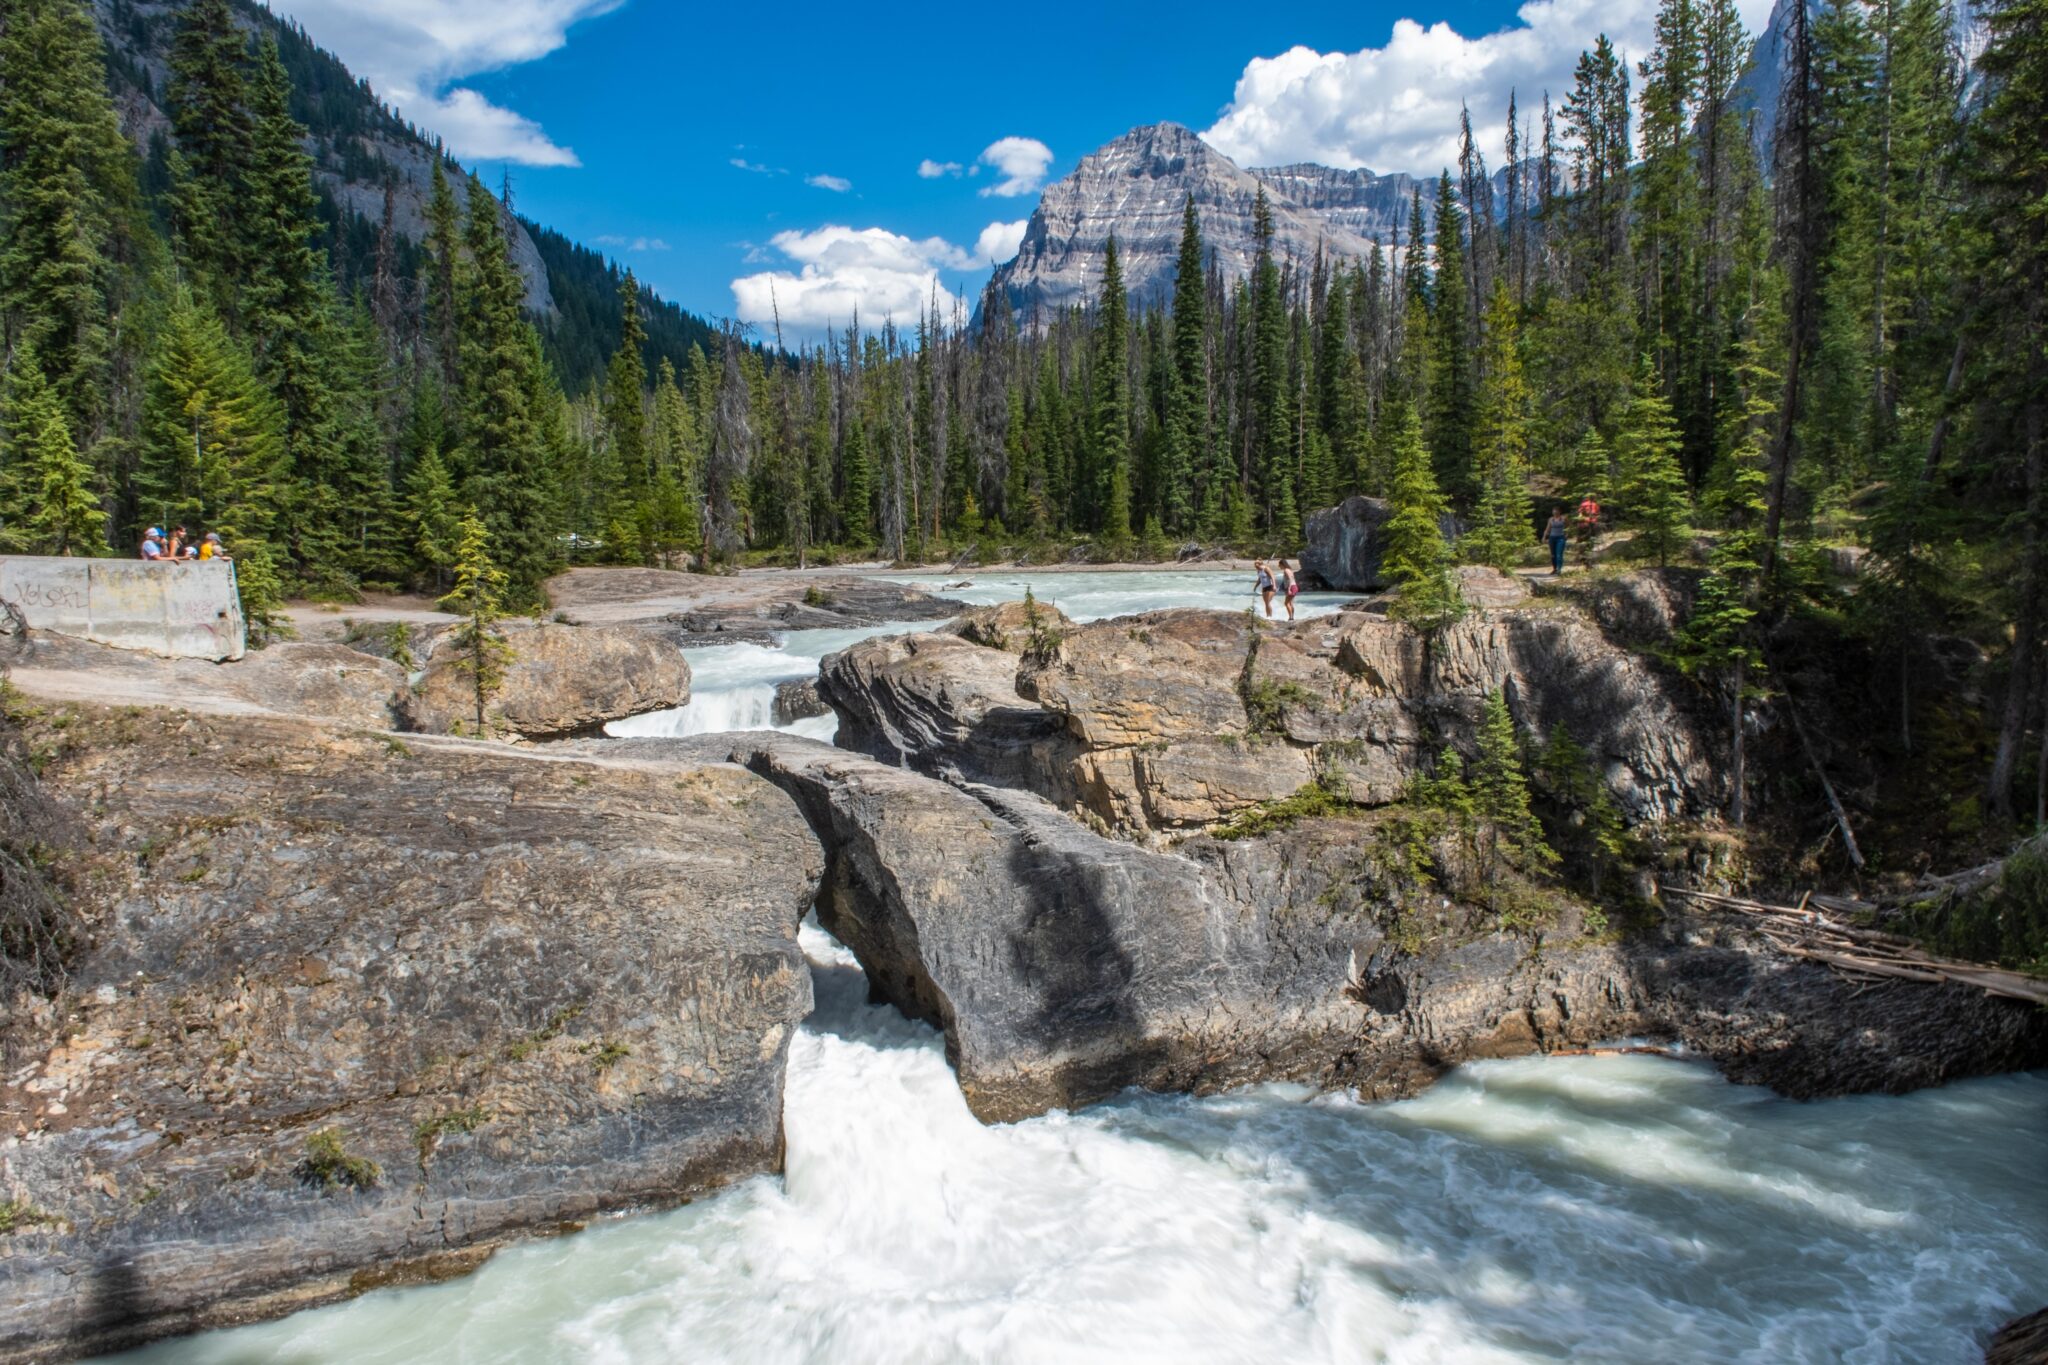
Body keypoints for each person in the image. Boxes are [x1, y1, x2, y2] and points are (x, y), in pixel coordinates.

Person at [1544, 507, 1570, 575]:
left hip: (1561, 538)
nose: (1555, 512)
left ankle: (1559, 569)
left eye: (1556, 511)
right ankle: (1554, 568)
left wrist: (1567, 534)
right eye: (1553, 511)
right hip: (1552, 538)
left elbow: (1568, 527)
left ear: (1559, 511)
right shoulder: (1550, 519)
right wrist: (1544, 537)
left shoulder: (1564, 518)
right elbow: (1547, 529)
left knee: (1559, 554)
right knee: (1553, 555)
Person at [1575, 493, 1602, 558]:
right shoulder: (1595, 504)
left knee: (1582, 539)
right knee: (1591, 539)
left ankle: (1581, 555)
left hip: (1585, 523)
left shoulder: (1585, 504)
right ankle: (1585, 554)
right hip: (1590, 523)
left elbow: (1580, 514)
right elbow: (1597, 514)